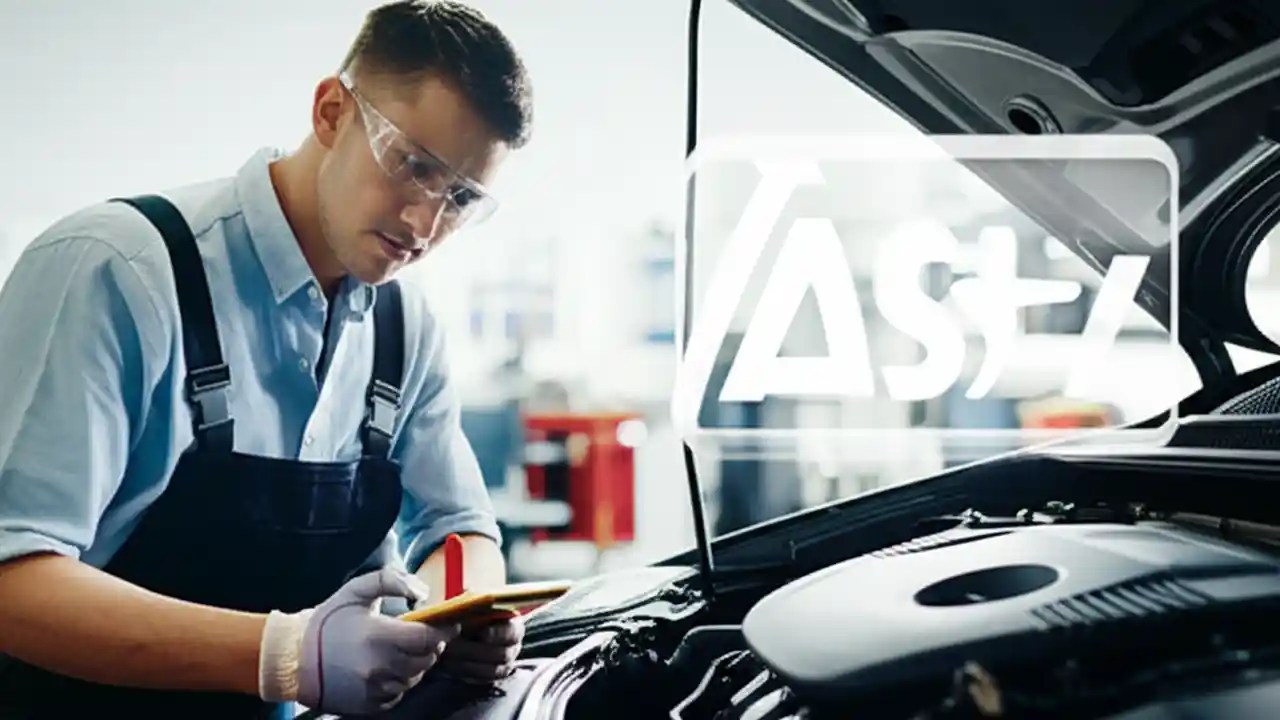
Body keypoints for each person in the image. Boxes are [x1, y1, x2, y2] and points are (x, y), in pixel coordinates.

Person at [0, 1, 534, 717]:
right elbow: (12, 579)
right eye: (413, 166)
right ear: (331, 111)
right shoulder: (117, 272)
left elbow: (459, 530)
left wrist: (451, 620)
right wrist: (284, 657)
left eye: (461, 197)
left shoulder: (404, 327)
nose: (424, 223)